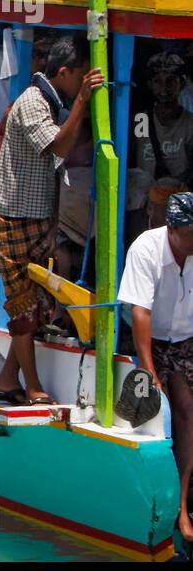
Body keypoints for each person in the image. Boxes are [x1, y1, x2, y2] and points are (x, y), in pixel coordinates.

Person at [0, 37, 105, 405]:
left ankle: (9, 378)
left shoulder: (47, 103)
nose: (82, 83)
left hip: (34, 215)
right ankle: (33, 386)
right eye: (80, 77)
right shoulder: (34, 104)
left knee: (33, 303)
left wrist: (53, 221)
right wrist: (83, 102)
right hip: (13, 213)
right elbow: (60, 148)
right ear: (66, 73)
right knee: (22, 305)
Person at [116, 191, 193, 544]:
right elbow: (140, 313)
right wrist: (150, 372)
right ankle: (175, 506)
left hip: (187, 338)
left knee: (188, 411)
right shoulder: (146, 249)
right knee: (176, 407)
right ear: (173, 229)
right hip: (152, 337)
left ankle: (182, 498)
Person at [133, 51, 193, 184]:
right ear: (150, 84)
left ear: (182, 83)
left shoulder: (190, 124)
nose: (164, 89)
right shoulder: (141, 120)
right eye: (158, 81)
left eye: (171, 81)